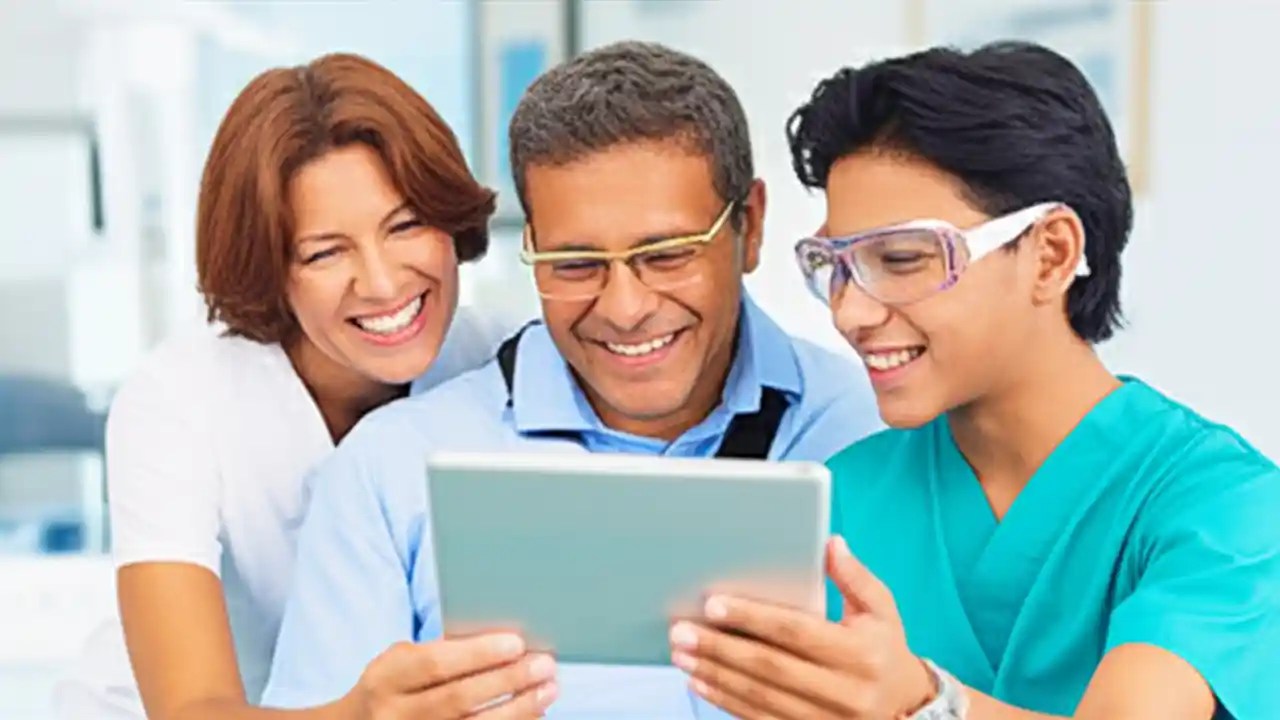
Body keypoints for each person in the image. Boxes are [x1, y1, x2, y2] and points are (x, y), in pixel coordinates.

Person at [258, 41, 881, 718]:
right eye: (576, 264)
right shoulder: (389, 471)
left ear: (750, 228)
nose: (625, 308)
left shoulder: (875, 430)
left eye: (667, 255)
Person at [667, 42, 1280, 720]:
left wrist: (925, 704)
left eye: (902, 258)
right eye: (834, 265)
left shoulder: (1223, 505)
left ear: (1051, 254)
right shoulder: (837, 503)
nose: (851, 312)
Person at [54, 53, 524, 720]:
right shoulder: (179, 400)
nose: (383, 283)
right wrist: (359, 715)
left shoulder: (502, 362)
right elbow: (190, 708)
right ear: (270, 271)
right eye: (325, 252)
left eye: (406, 226)